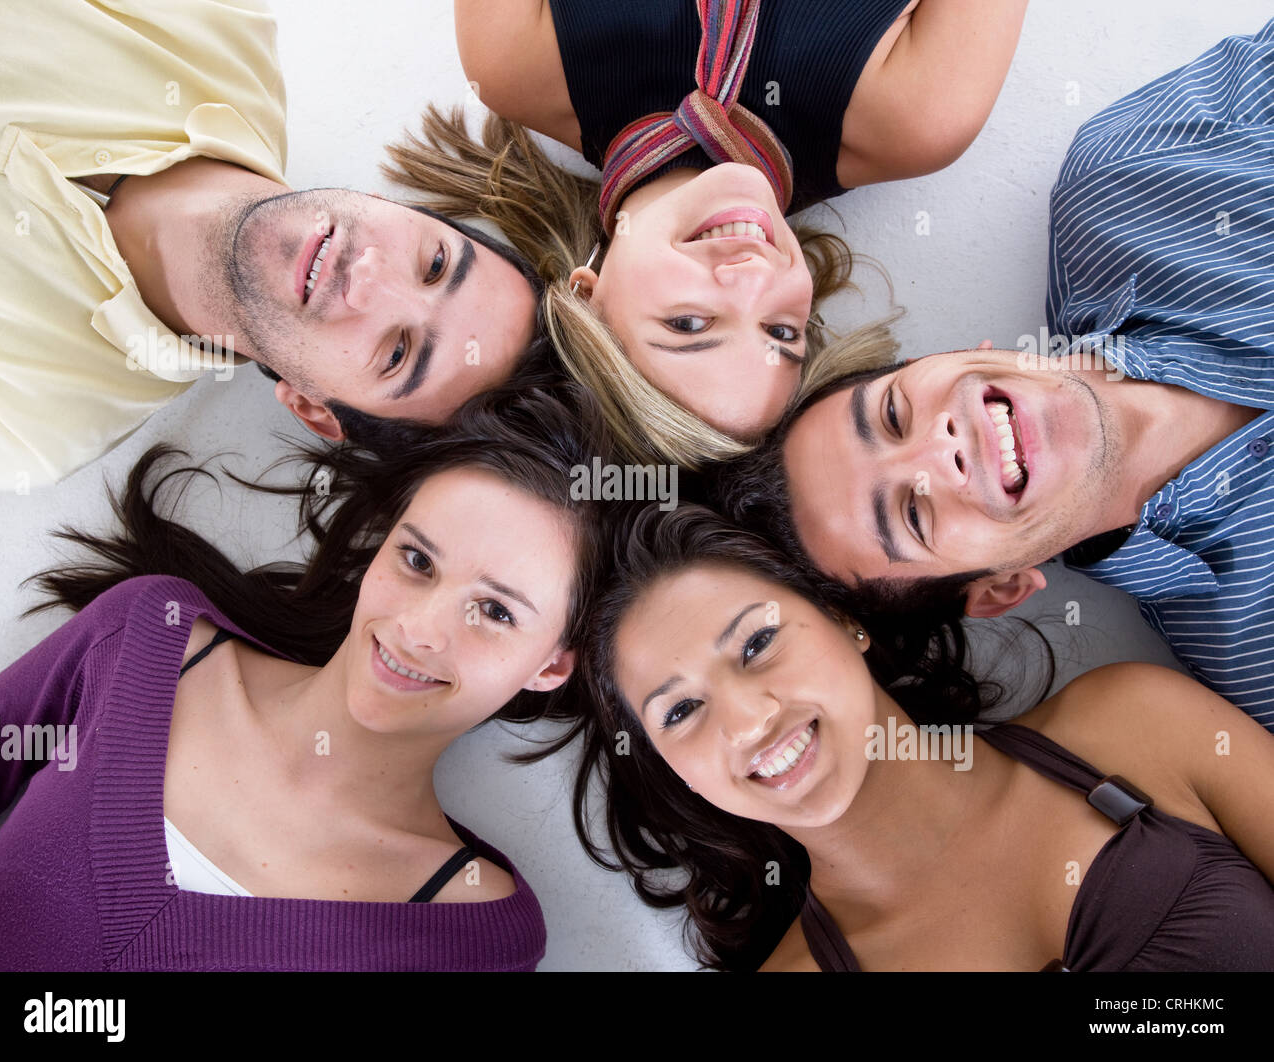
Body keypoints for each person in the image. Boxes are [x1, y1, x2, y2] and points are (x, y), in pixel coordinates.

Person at [721, 18, 1274, 728]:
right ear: (1000, 589)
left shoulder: (1130, 182)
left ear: (954, 354)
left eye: (892, 415)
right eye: (913, 515)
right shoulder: (1250, 662)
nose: (938, 446)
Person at [0, 382, 607, 971]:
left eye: (495, 611)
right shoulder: (146, 635)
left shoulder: (472, 929)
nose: (419, 629)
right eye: (416, 560)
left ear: (550, 663)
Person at [567, 503, 1274, 971]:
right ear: (671, 770)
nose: (750, 720)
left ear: (846, 619)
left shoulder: (1134, 722)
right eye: (682, 711)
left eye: (756, 643)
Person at [0, 0, 555, 491]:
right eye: (434, 264)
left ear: (313, 409)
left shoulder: (25, 425)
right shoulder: (216, 22)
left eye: (398, 353)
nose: (368, 276)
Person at [455, 0, 1028, 466]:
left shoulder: (508, 63)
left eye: (689, 324)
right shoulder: (921, 115)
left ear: (586, 296)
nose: (751, 277)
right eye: (780, 331)